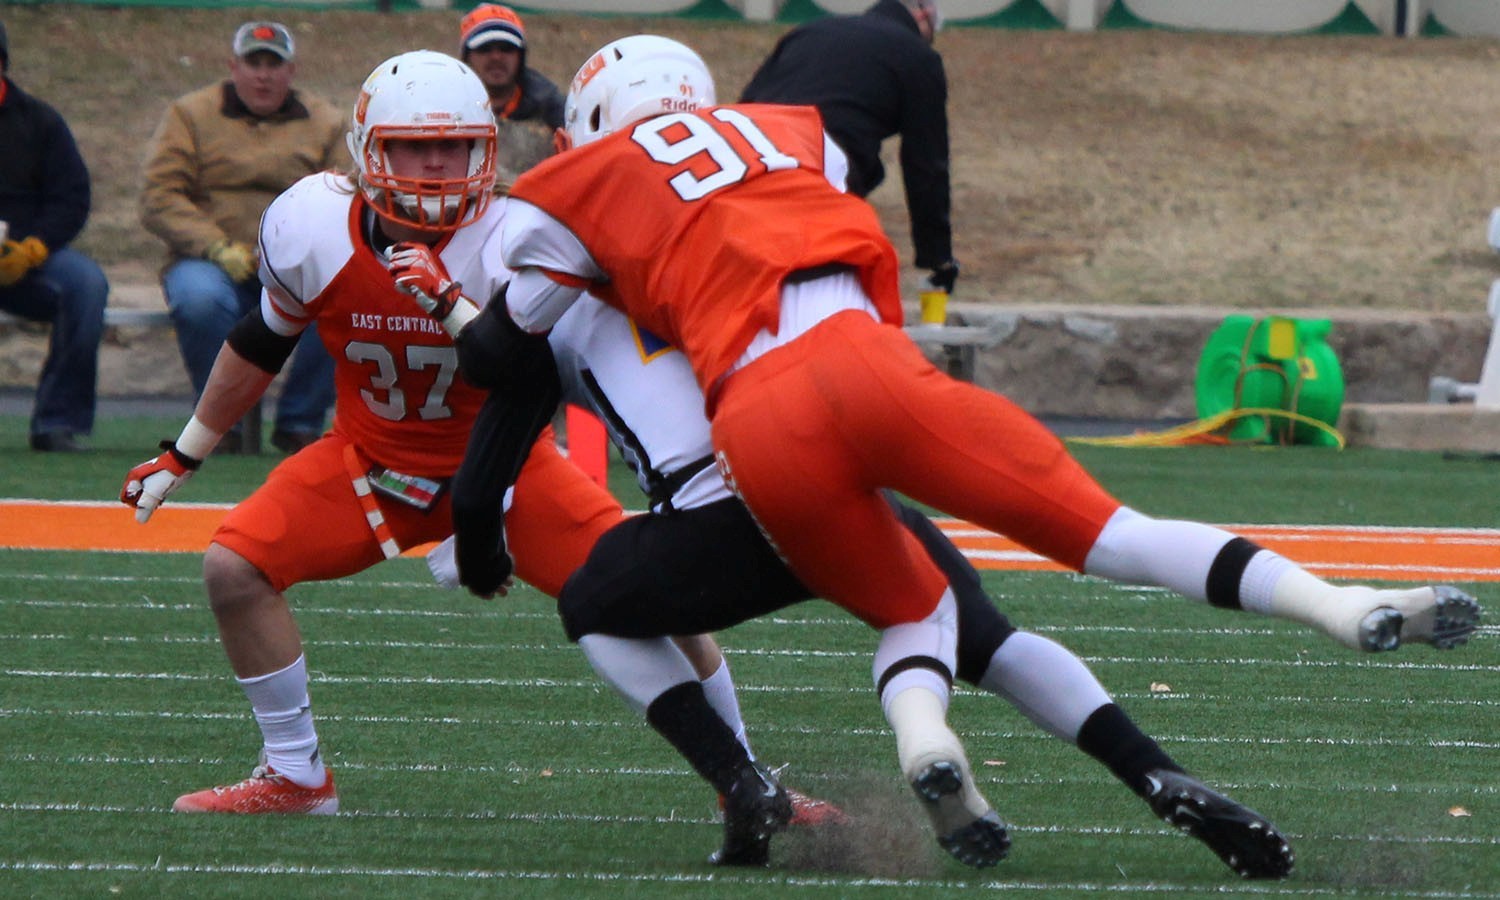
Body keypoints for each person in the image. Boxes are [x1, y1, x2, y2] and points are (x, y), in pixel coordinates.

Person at [473, 34, 1480, 870]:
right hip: (865, 365)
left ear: (588, 136)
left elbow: (499, 348)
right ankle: (1331, 612)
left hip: (759, 444)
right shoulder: (788, 134)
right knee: (1092, 548)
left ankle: (871, 752)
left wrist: (460, 295)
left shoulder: (570, 213)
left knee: (878, 611)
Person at [116, 52, 830, 843]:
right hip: (368, 463)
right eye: (414, 146)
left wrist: (452, 302)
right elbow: (260, 341)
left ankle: (747, 781)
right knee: (233, 569)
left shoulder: (520, 234)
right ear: (366, 151)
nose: (434, 163)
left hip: (511, 472)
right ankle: (294, 773)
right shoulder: (309, 223)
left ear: (483, 151)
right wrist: (183, 452)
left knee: (660, 598)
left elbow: (543, 373)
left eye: (453, 146)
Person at [424, 287, 1291, 875]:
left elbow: (477, 480)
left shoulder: (550, 298)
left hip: (717, 520)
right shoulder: (726, 256)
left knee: (592, 602)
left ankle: (743, 782)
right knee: (982, 636)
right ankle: (1155, 773)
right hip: (832, 480)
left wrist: (483, 558)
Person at [140, 20, 341, 454]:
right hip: (207, 259)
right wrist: (214, 245)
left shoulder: (328, 122)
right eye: (254, 63)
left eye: (275, 64)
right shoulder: (189, 114)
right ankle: (216, 425)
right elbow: (159, 195)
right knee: (199, 301)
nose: (264, 74)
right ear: (233, 67)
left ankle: (299, 423)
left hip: (295, 263)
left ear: (293, 70)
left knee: (343, 300)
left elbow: (346, 195)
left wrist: (301, 250)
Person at [741, 0, 960, 298]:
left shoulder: (808, 32)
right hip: (820, 169)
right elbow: (925, 164)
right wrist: (937, 258)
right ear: (924, 15)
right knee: (816, 283)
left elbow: (746, 103)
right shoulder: (919, 56)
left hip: (751, 157)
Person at [0, 19, 108, 453]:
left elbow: (72, 197)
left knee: (86, 285)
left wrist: (34, 247)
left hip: (28, 259)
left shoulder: (41, 122)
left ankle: (57, 421)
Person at [458, 3, 566, 184]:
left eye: (506, 48)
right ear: (467, 57)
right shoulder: (448, 107)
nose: (496, 57)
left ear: (521, 56)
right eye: (485, 48)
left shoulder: (552, 110)